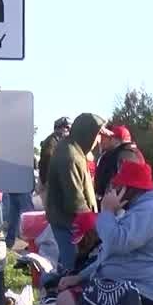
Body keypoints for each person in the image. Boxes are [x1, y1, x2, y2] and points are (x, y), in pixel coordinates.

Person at [56, 159, 153, 305]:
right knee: (66, 296)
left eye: (118, 187)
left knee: (78, 301)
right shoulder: (136, 209)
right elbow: (108, 254)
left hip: (146, 292)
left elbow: (116, 243)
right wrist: (79, 277)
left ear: (130, 189)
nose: (114, 191)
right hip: (129, 286)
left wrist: (107, 211)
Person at [45, 113, 109, 270]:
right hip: (69, 222)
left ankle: (60, 285)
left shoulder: (74, 150)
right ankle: (64, 290)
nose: (98, 140)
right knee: (72, 266)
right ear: (87, 133)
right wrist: (92, 224)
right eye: (97, 135)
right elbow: (75, 199)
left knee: (67, 262)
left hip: (68, 220)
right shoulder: (70, 156)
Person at [93, 125, 145, 198]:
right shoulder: (138, 154)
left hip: (116, 202)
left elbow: (103, 184)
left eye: (110, 138)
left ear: (115, 140)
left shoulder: (113, 155)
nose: (103, 140)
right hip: (137, 198)